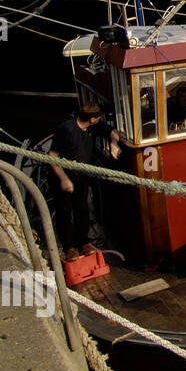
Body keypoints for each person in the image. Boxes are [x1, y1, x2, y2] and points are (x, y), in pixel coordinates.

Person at [47, 103, 117, 263]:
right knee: (64, 211)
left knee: (82, 208)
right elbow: (52, 155)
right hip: (63, 175)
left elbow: (112, 132)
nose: (100, 120)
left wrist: (113, 142)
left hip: (81, 175)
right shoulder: (66, 129)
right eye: (98, 117)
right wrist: (64, 179)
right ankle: (68, 247)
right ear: (92, 119)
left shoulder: (94, 127)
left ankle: (83, 242)